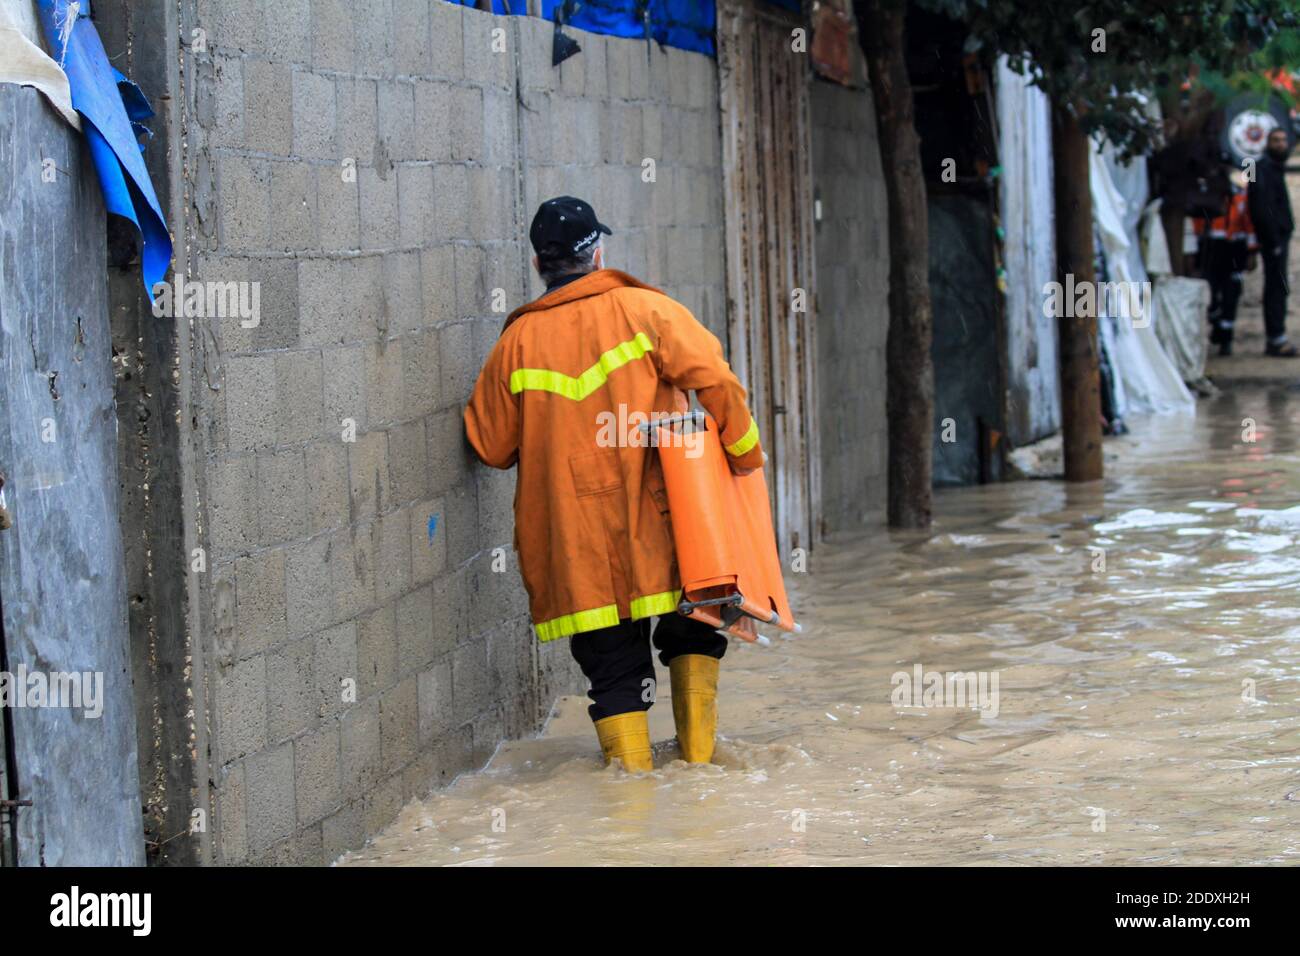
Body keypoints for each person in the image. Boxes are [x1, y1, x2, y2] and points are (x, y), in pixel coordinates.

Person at [463, 197, 763, 771]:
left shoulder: (514, 346)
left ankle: (631, 819)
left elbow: (489, 446)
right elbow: (716, 381)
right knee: (694, 635)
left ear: (537, 265)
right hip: (669, 525)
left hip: (577, 549)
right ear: (597, 253)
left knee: (614, 675)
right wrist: (743, 454)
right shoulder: (648, 312)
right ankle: (699, 779)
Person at [1195, 169, 1258, 356]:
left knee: (1232, 293)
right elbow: (1196, 224)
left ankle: (1226, 337)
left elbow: (1249, 224)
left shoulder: (1240, 198)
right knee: (1211, 292)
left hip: (1234, 250)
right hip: (1212, 249)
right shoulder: (1206, 198)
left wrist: (1252, 252)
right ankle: (1215, 322)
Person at [1247, 126, 1297, 357]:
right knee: (1276, 287)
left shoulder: (1273, 168)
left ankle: (1277, 336)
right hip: (1272, 239)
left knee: (1279, 286)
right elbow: (1257, 207)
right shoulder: (1259, 167)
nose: (1281, 144)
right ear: (1267, 142)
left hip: (1279, 237)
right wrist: (1271, 239)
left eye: (1283, 140)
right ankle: (1276, 338)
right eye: (1276, 140)